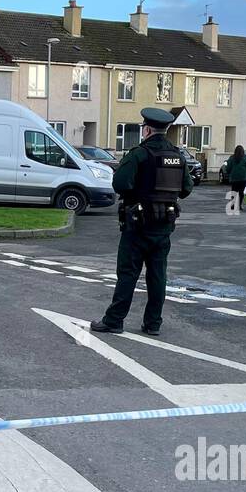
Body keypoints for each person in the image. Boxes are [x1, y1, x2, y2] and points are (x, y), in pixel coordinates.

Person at [91, 108, 193, 337]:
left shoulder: (139, 154)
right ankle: (153, 323)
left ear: (146, 129)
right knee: (158, 276)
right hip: (164, 225)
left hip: (137, 225)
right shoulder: (177, 155)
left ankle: (114, 320)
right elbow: (186, 189)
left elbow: (120, 184)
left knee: (128, 274)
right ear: (165, 130)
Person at [223, 145, 246, 211]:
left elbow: (228, 168)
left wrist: (228, 172)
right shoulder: (245, 158)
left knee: (234, 191)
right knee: (241, 192)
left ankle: (233, 205)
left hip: (234, 178)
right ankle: (239, 205)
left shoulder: (232, 158)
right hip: (243, 178)